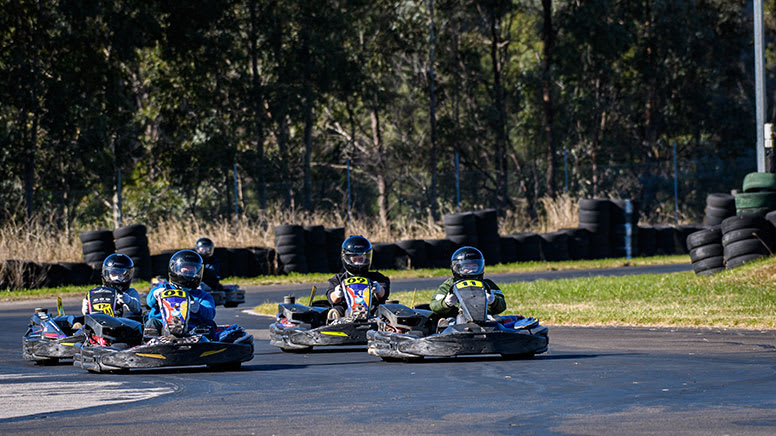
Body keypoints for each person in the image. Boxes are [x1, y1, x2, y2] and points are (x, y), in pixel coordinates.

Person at [143, 250, 216, 338]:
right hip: (163, 327)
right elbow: (149, 301)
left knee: (209, 324)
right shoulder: (164, 289)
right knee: (152, 322)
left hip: (191, 330)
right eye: (185, 272)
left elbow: (210, 313)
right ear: (175, 270)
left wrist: (199, 309)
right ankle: (150, 344)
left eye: (191, 272)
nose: (188, 275)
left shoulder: (202, 296)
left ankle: (205, 346)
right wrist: (155, 294)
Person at [429, 246, 506, 320]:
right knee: (447, 320)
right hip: (455, 321)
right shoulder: (449, 285)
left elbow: (502, 305)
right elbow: (434, 306)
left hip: (485, 319)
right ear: (457, 268)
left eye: (474, 267)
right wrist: (446, 303)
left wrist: (493, 301)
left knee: (496, 318)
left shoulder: (487, 285)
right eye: (467, 267)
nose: (471, 270)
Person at [325, 235, 390, 320]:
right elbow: (332, 298)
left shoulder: (376, 277)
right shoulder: (338, 279)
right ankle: (335, 321)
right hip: (345, 313)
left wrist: (378, 289)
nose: (358, 263)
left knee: (381, 309)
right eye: (355, 259)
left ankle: (383, 323)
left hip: (372, 312)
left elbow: (383, 293)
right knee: (337, 309)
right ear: (347, 258)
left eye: (361, 259)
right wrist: (338, 293)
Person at [80, 253, 142, 319]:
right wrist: (88, 306)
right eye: (114, 273)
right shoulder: (98, 292)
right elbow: (87, 315)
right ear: (107, 274)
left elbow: (137, 309)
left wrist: (129, 300)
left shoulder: (130, 292)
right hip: (101, 323)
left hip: (125, 324)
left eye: (122, 274)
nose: (117, 277)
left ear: (127, 275)